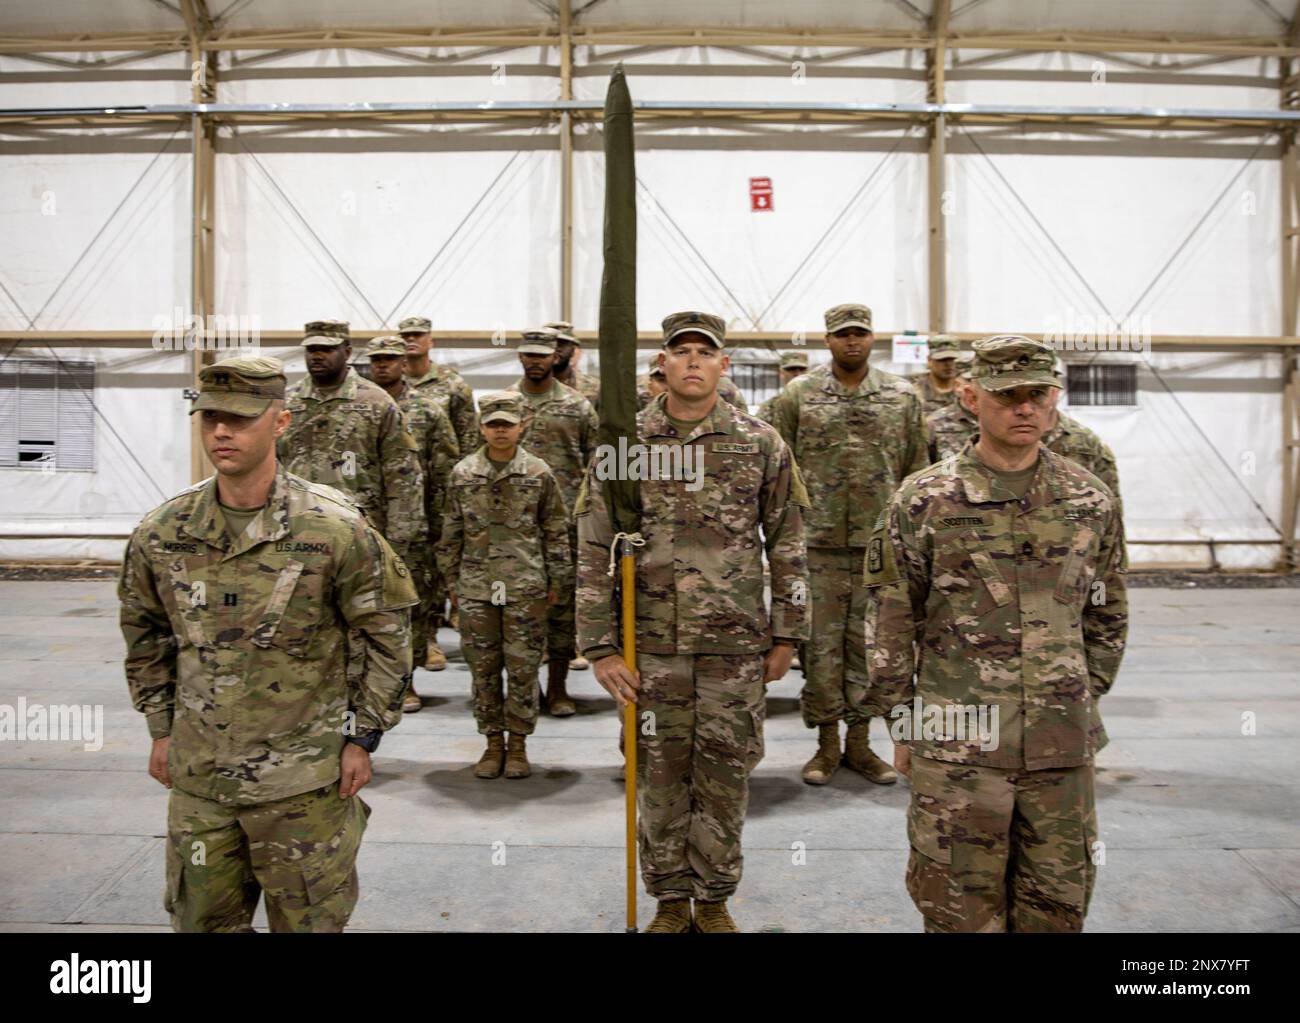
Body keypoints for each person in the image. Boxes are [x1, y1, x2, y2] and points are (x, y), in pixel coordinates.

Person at [119, 356, 417, 932]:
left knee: (307, 923)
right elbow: (145, 632)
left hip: (303, 782)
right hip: (201, 781)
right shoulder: (163, 532)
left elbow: (386, 634)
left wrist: (364, 735)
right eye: (210, 419)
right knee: (202, 922)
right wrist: (160, 727)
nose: (221, 432)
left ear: (281, 422)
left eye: (240, 419)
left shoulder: (333, 528)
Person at [861, 335, 1128, 933]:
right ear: (971, 397)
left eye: (1038, 394)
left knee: (1057, 905)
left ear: (1055, 398)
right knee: (958, 906)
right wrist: (903, 723)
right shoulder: (923, 499)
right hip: (958, 743)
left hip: (1060, 743)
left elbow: (1108, 610)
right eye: (1008, 396)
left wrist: (1079, 698)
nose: (1025, 408)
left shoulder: (1088, 499)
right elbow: (888, 618)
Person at [576, 310, 809, 933]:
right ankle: (669, 899)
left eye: (706, 352)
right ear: (663, 365)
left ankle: (714, 899)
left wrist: (788, 633)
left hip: (733, 646)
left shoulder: (759, 441)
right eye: (681, 352)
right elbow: (593, 546)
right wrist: (598, 645)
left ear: (723, 364)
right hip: (648, 644)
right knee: (657, 773)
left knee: (726, 774)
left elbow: (788, 538)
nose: (694, 362)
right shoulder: (625, 448)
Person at [769, 303, 927, 787]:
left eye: (859, 333)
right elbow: (779, 468)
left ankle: (860, 744)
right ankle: (826, 745)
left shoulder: (902, 396)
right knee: (819, 649)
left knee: (869, 647)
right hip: (815, 546)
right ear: (827, 340)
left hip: (878, 548)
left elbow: (917, 472)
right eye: (842, 335)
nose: (851, 342)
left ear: (872, 338)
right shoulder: (799, 395)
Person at [437, 392, 571, 779]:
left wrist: (557, 580)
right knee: (483, 670)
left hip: (525, 587)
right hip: (477, 586)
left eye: (507, 423)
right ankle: (492, 742)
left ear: (521, 425)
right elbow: (451, 530)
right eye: (493, 423)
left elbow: (555, 530)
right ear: (481, 427)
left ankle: (518, 745)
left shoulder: (538, 473)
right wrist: (451, 583)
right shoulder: (463, 473)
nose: (500, 430)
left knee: (523, 668)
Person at [278, 319, 424, 561]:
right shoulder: (288, 403)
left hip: (359, 537)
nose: (317, 356)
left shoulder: (376, 402)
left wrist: (396, 546)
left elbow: (403, 477)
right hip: (296, 534)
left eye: (327, 349)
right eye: (312, 350)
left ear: (347, 352)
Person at [508, 330, 599, 715]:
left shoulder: (578, 407)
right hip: (515, 527)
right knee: (518, 612)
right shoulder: (505, 405)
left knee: (561, 607)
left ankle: (559, 687)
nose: (535, 361)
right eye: (529, 354)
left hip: (564, 525)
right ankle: (522, 693)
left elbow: (598, 464)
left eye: (542, 355)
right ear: (520, 357)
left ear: (554, 358)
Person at [367, 336, 460, 699]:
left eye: (390, 359)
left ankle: (407, 684)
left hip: (411, 527)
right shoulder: (356, 406)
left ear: (404, 363)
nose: (383, 365)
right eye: (376, 359)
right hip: (362, 525)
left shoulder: (427, 410)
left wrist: (441, 529)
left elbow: (444, 473)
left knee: (409, 610)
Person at [925, 351, 978, 463]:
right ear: (958, 385)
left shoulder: (999, 420)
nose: (977, 386)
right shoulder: (934, 423)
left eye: (981, 381)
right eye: (970, 381)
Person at [547, 320, 601, 410]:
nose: (556, 349)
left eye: (562, 344)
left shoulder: (594, 388)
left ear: (572, 351)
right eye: (551, 344)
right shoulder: (526, 388)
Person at [912, 333, 962, 416]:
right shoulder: (915, 391)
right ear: (929, 360)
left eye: (952, 359)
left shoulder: (965, 389)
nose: (948, 364)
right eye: (942, 359)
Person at [756, 350, 809, 424]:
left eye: (802, 369)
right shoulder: (770, 406)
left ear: (808, 372)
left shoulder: (819, 403)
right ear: (781, 372)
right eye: (791, 369)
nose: (797, 373)